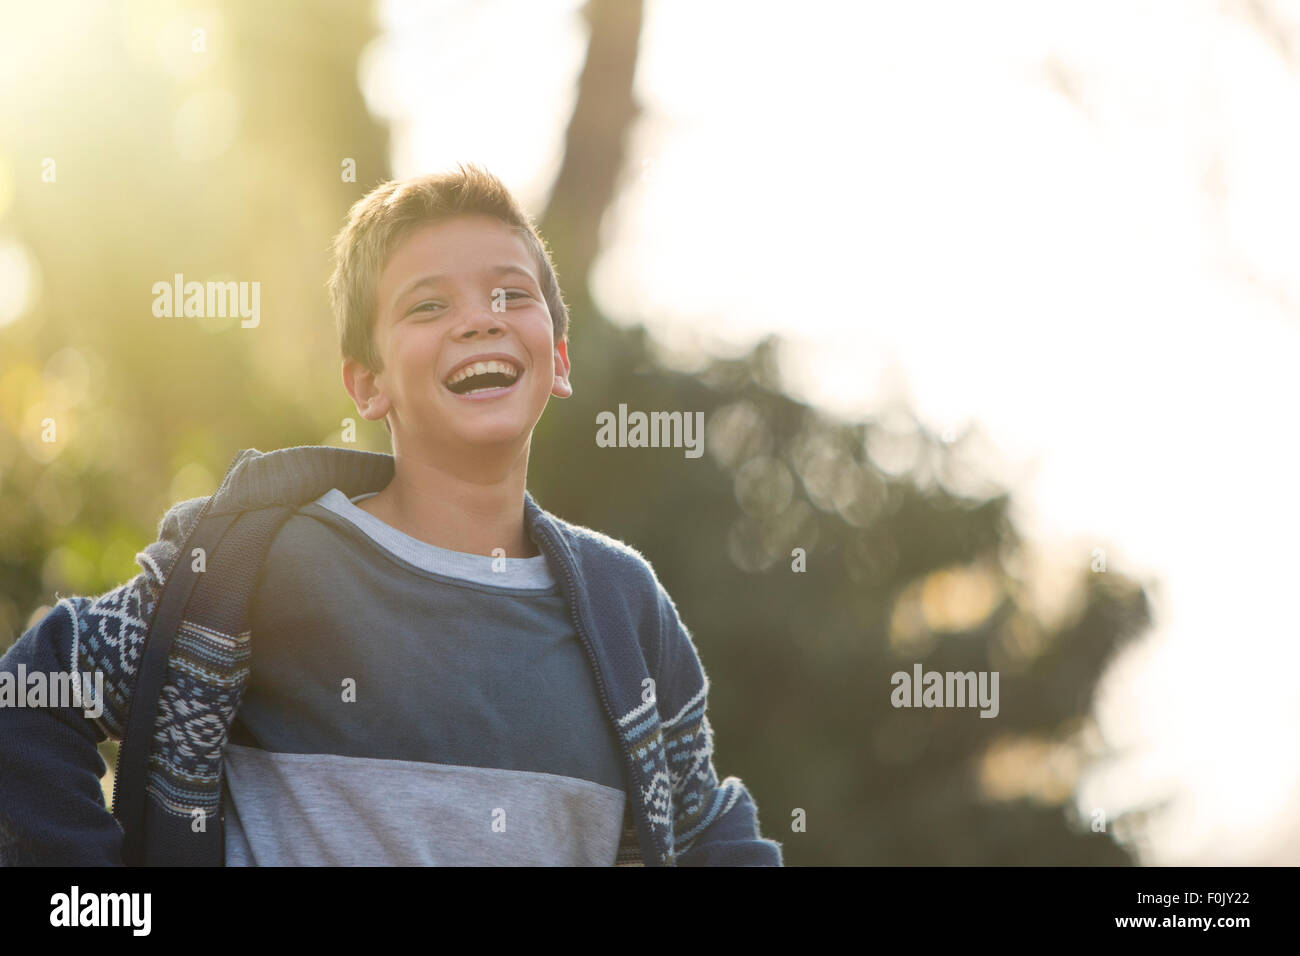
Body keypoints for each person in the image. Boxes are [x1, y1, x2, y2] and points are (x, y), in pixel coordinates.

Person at [0, 163, 782, 867]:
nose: (480, 318)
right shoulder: (258, 564)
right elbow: (32, 698)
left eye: (512, 294)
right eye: (428, 304)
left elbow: (706, 828)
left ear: (561, 358)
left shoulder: (628, 611)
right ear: (367, 384)